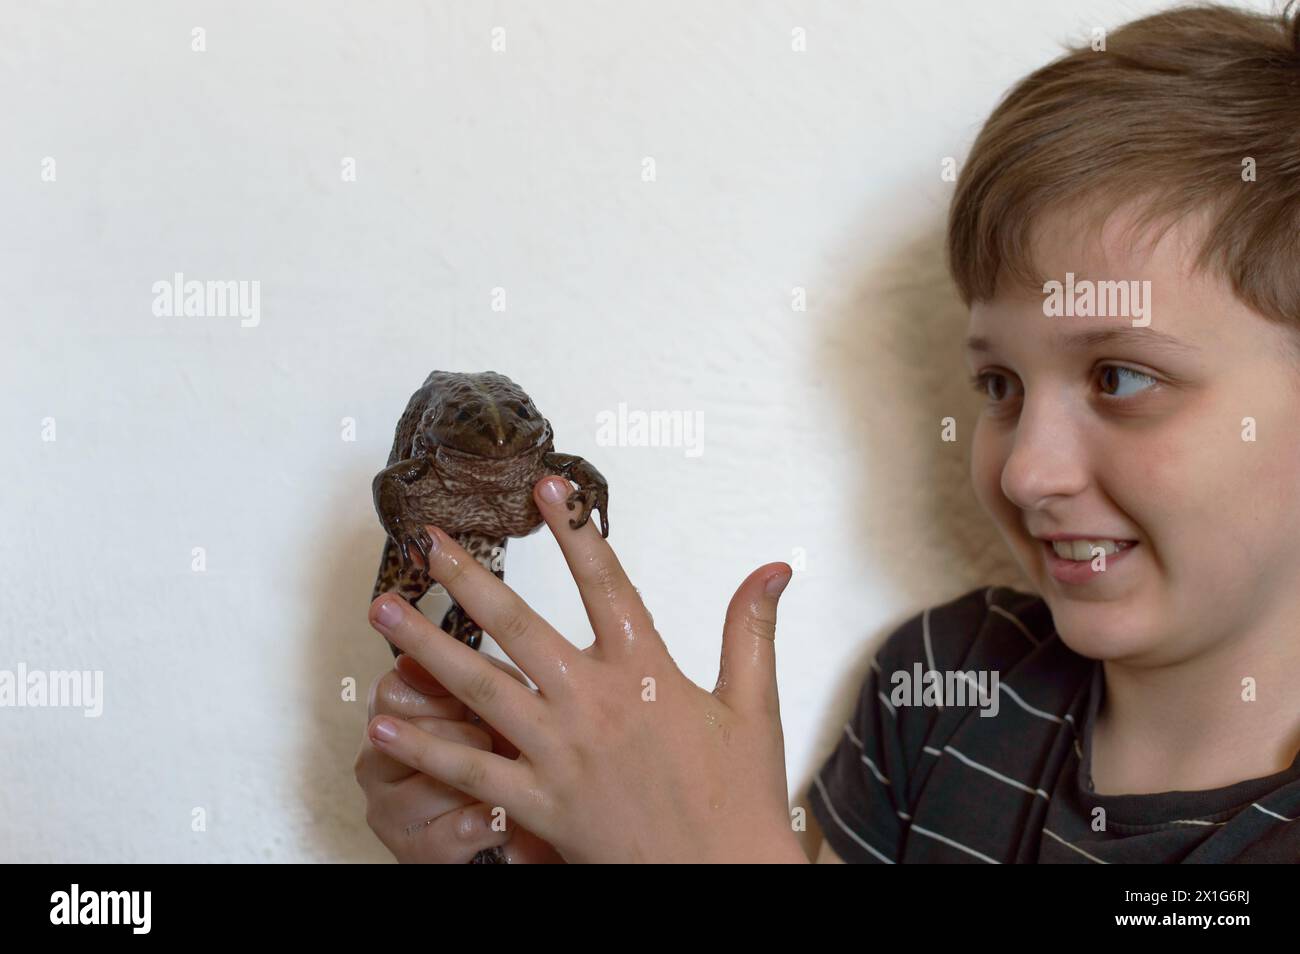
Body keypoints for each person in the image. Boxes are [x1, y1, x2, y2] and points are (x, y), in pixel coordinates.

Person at [354, 0, 1300, 862]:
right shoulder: (941, 687)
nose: (1024, 471)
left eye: (1121, 376)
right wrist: (562, 845)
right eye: (999, 383)